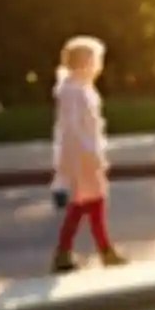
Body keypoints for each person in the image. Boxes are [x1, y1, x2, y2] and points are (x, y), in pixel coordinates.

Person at [51, 36, 127, 273]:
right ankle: (102, 252)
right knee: (90, 202)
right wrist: (91, 152)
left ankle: (70, 252)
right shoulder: (74, 91)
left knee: (86, 203)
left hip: (85, 154)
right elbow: (72, 126)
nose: (98, 65)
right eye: (95, 60)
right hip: (82, 157)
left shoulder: (80, 87)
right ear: (84, 62)